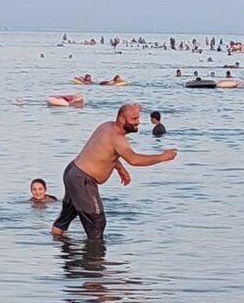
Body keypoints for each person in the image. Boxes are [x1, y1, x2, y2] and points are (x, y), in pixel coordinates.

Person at [51, 103, 177, 241]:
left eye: (138, 118)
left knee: (66, 217)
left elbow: (104, 152)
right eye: (134, 119)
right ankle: (94, 260)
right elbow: (134, 159)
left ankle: (59, 250)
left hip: (72, 171)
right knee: (97, 221)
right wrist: (162, 157)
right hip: (82, 180)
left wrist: (120, 168)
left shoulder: (106, 126)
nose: (138, 122)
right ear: (122, 120)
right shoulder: (118, 138)